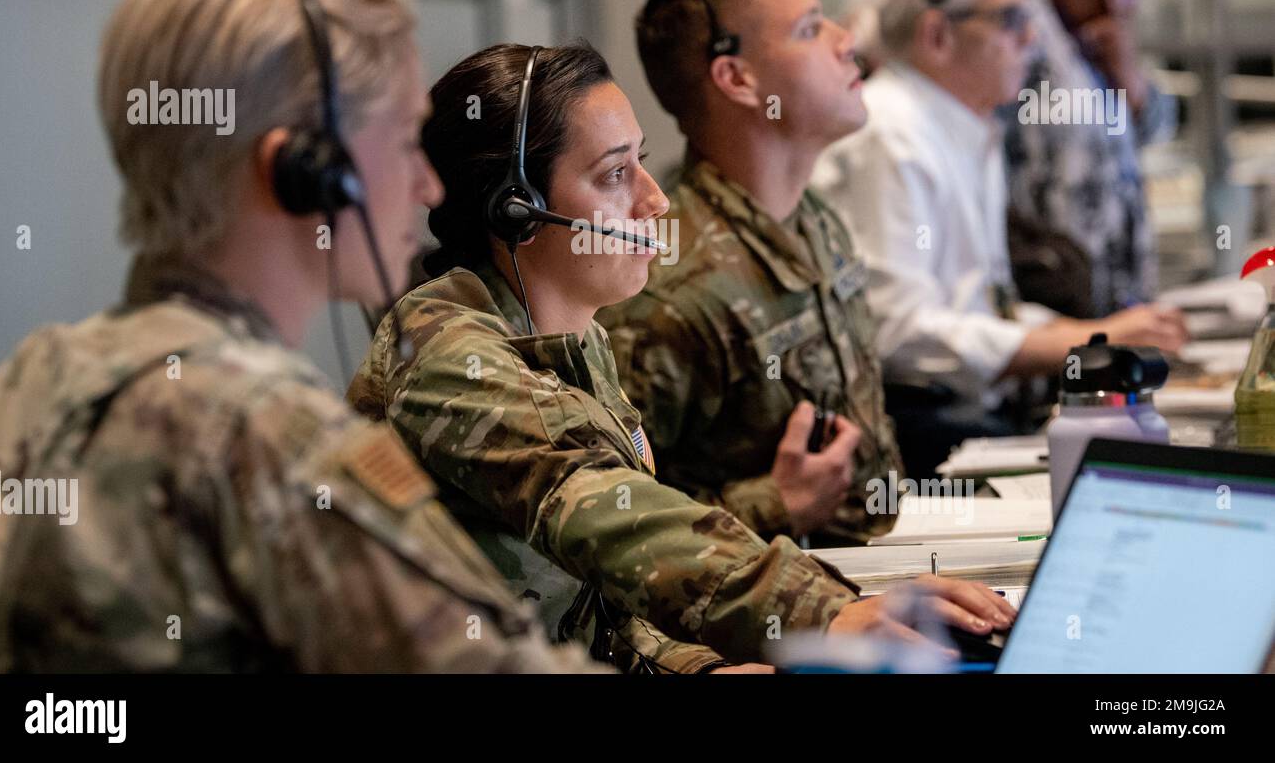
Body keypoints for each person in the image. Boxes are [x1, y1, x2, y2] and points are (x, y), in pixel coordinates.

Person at [0, 0, 596, 673]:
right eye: (404, 140)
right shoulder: (266, 430)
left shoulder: (36, 375)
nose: (428, 187)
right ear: (303, 172)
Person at [348, 40, 1017, 671]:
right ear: (519, 209)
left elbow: (607, 611)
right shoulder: (443, 350)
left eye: (641, 161)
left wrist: (701, 667)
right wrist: (827, 611)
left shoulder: (583, 341)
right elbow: (612, 518)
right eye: (614, 174)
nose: (654, 199)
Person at [812, 0, 1187, 477]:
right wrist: (1077, 342)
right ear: (938, 35)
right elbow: (898, 333)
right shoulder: (888, 133)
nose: (1032, 39)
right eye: (1011, 19)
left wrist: (1104, 335)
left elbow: (982, 307)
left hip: (966, 418)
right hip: (921, 435)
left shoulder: (959, 124)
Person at [598, 0, 902, 547]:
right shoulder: (664, 288)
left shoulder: (813, 218)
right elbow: (611, 519)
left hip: (874, 558)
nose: (846, 42)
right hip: (763, 613)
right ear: (738, 80)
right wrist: (774, 505)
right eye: (811, 29)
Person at [991, 0, 1176, 317]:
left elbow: (1153, 130)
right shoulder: (1021, 21)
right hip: (1048, 291)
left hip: (1099, 294)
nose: (1123, 5)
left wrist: (1127, 76)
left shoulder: (1084, 41)